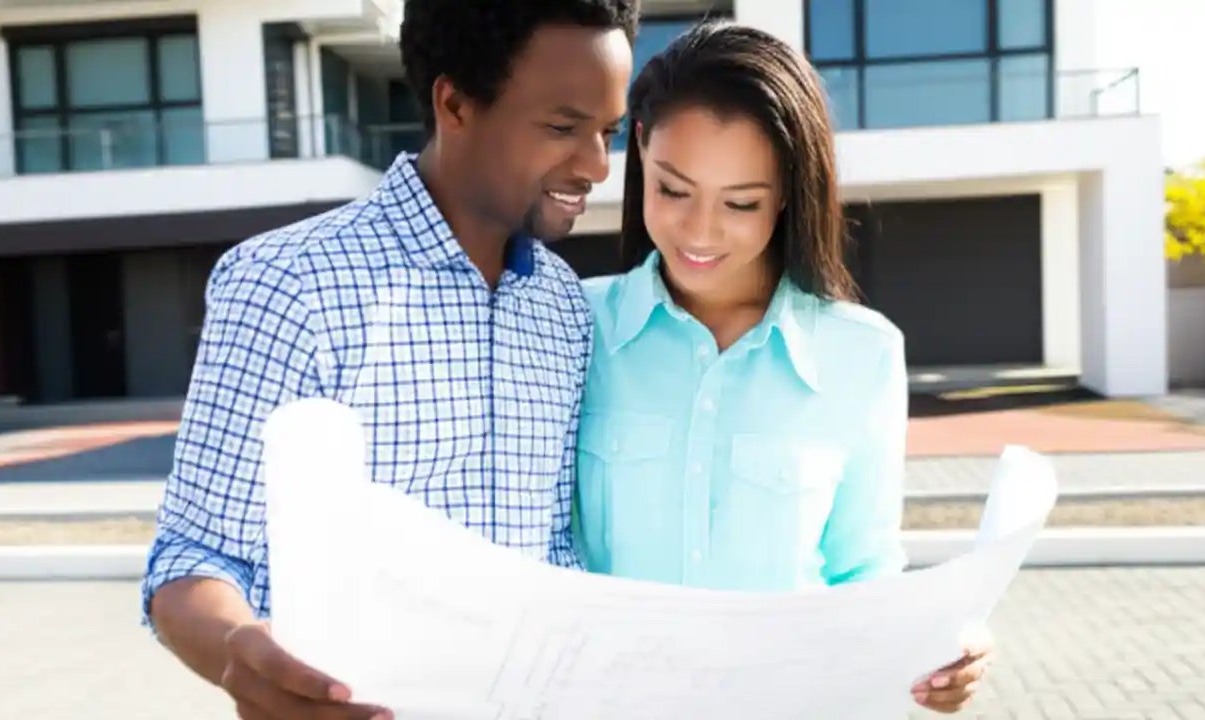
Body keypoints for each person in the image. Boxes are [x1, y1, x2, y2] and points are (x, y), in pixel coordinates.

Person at [140, 2, 636, 718]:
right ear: (455, 102)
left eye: (608, 132)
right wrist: (236, 651)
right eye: (563, 128)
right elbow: (192, 556)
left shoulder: (563, 305)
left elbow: (555, 546)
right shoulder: (286, 283)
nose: (595, 165)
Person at [573, 22, 990, 714]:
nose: (700, 232)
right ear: (639, 145)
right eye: (673, 190)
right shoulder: (569, 326)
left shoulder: (863, 354)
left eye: (742, 203)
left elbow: (865, 571)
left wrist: (939, 653)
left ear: (791, 192)